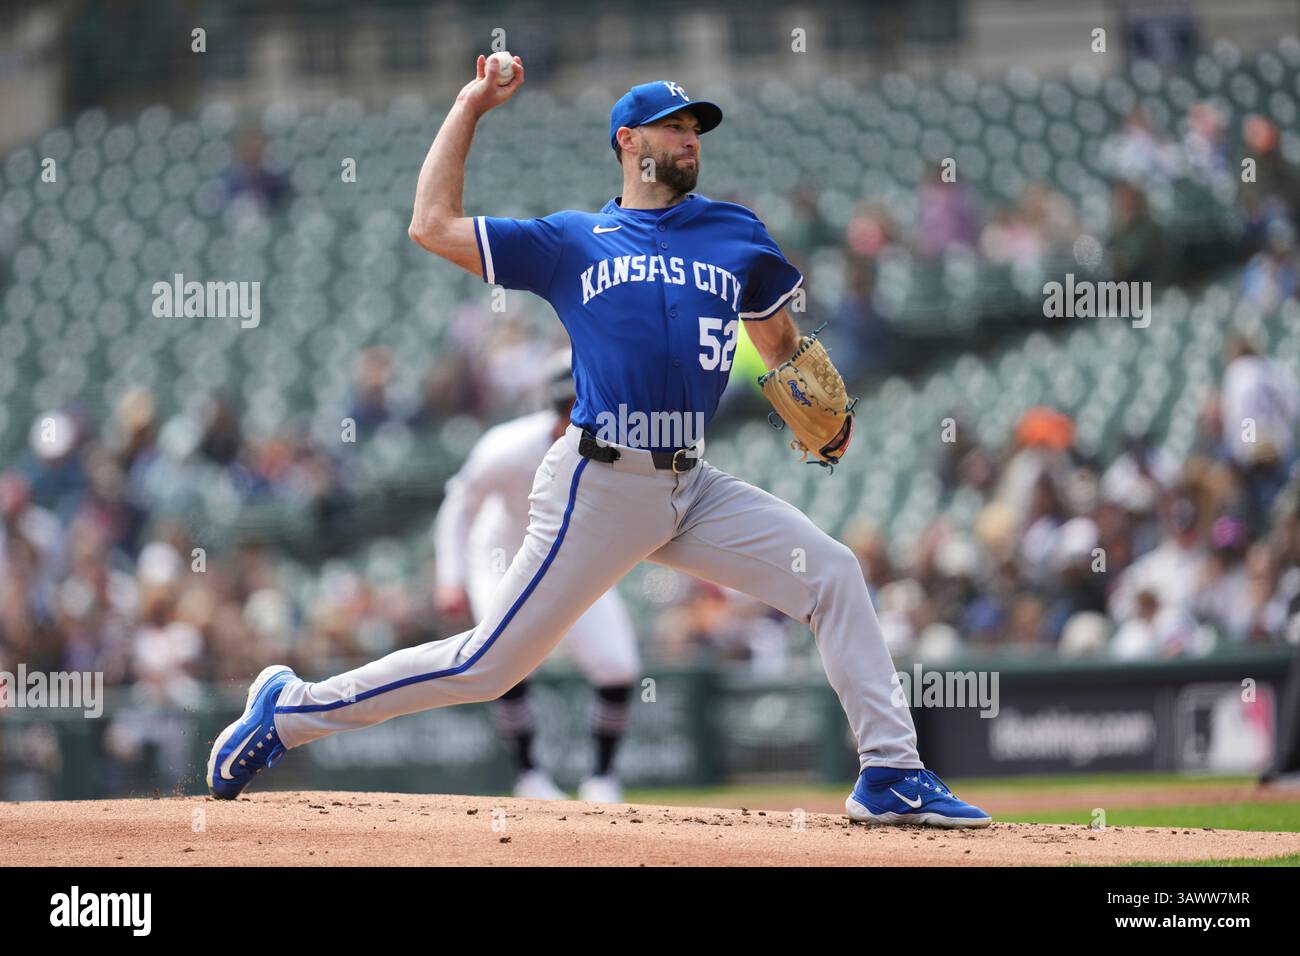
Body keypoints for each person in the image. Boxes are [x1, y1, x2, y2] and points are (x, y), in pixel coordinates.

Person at [208, 56, 990, 828]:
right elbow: (431, 225)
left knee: (832, 573)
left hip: (693, 484)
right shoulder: (573, 241)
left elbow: (780, 338)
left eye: (696, 129)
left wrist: (810, 395)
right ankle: (289, 711)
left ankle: (891, 771)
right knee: (487, 666)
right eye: (673, 128)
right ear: (627, 141)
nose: (690, 141)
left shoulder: (734, 231)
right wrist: (470, 106)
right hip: (600, 483)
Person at [432, 355, 640, 803]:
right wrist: (451, 577)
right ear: (557, 407)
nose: (578, 414)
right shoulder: (506, 446)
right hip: (500, 556)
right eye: (571, 405)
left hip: (573, 560)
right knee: (504, 664)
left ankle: (602, 778)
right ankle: (529, 774)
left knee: (618, 665)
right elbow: (460, 502)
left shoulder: (617, 449)